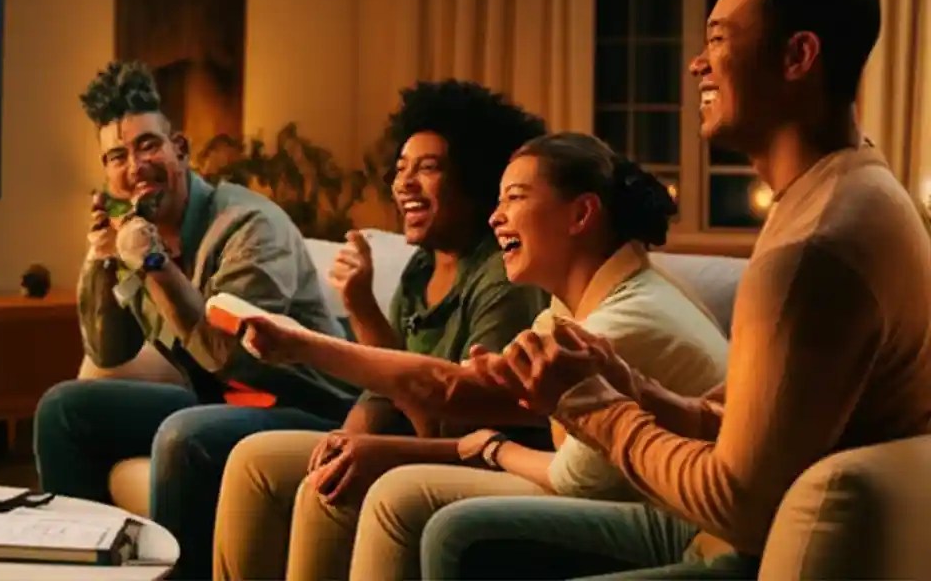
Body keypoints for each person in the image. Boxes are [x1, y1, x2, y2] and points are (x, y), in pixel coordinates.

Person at [425, 0, 931, 580]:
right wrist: (624, 384)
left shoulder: (816, 249)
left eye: (719, 40)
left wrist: (591, 405)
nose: (697, 62)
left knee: (460, 545)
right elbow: (746, 423)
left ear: (798, 56)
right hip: (742, 534)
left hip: (743, 551)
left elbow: (736, 501)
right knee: (461, 533)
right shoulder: (848, 192)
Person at [232, 132, 730, 580]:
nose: (497, 217)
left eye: (515, 198)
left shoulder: (620, 320)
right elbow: (463, 389)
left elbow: (462, 402)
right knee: (272, 461)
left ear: (581, 214)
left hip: (674, 514)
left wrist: (300, 344)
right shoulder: (575, 301)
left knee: (386, 493)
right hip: (604, 486)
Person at [212, 80, 551, 581]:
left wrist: (360, 312)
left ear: (477, 178)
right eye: (401, 169)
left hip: (478, 454)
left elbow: (450, 425)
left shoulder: (502, 276)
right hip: (420, 435)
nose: (405, 184)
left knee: (331, 484)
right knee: (253, 460)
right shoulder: (419, 268)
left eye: (428, 168)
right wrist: (347, 432)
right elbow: (386, 385)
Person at [33, 60, 356, 579]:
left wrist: (154, 265)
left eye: (147, 146)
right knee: (64, 409)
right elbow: (108, 351)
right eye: (117, 156)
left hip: (308, 407)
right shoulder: (138, 233)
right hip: (221, 402)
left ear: (179, 149)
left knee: (184, 435)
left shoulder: (249, 225)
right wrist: (101, 259)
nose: (134, 165)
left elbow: (231, 357)